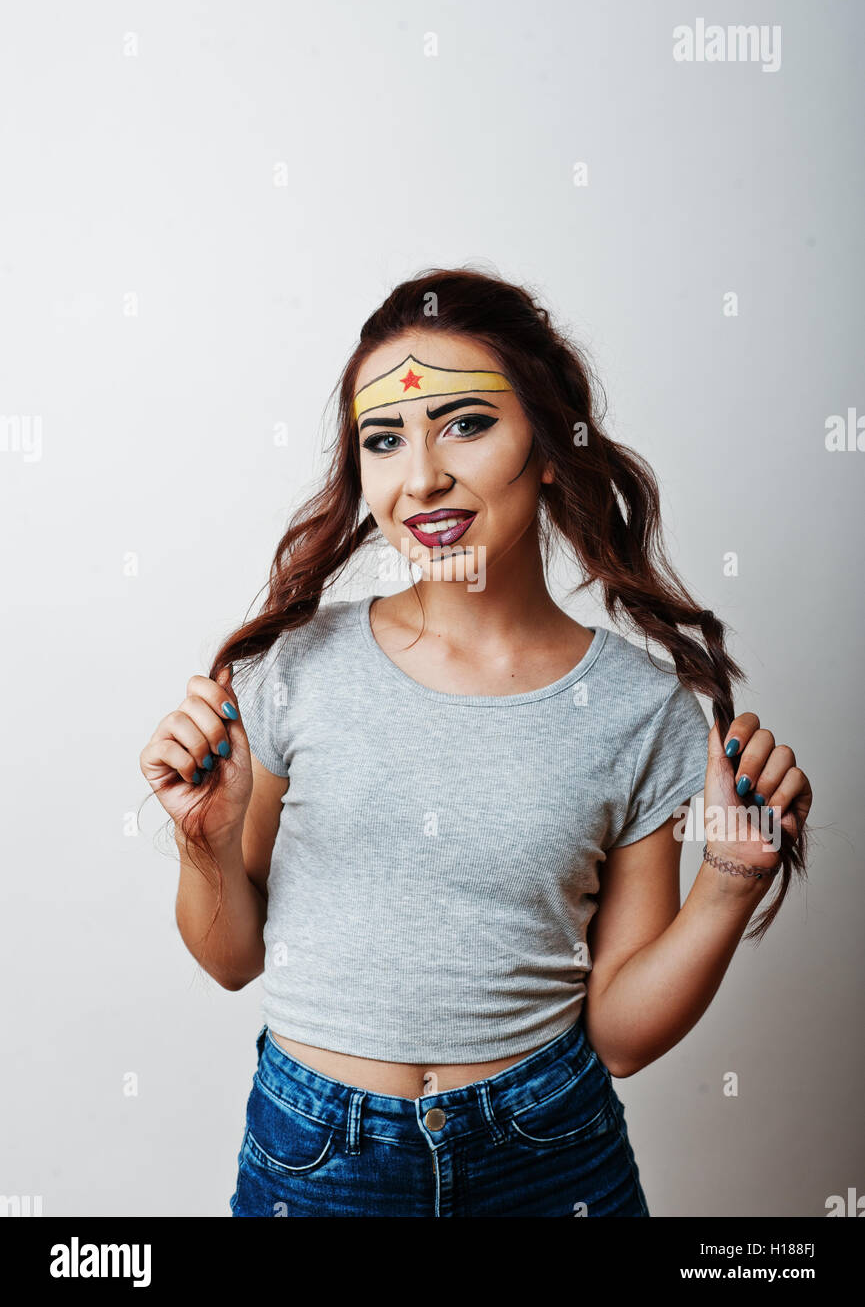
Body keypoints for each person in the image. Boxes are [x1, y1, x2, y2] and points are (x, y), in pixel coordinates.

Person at [139, 266, 812, 1217]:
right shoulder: (297, 672)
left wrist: (732, 878)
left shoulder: (640, 709)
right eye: (385, 440)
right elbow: (232, 959)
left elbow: (618, 1034)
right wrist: (203, 844)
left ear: (546, 442)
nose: (421, 478)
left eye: (465, 423)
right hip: (318, 1160)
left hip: (549, 1154)